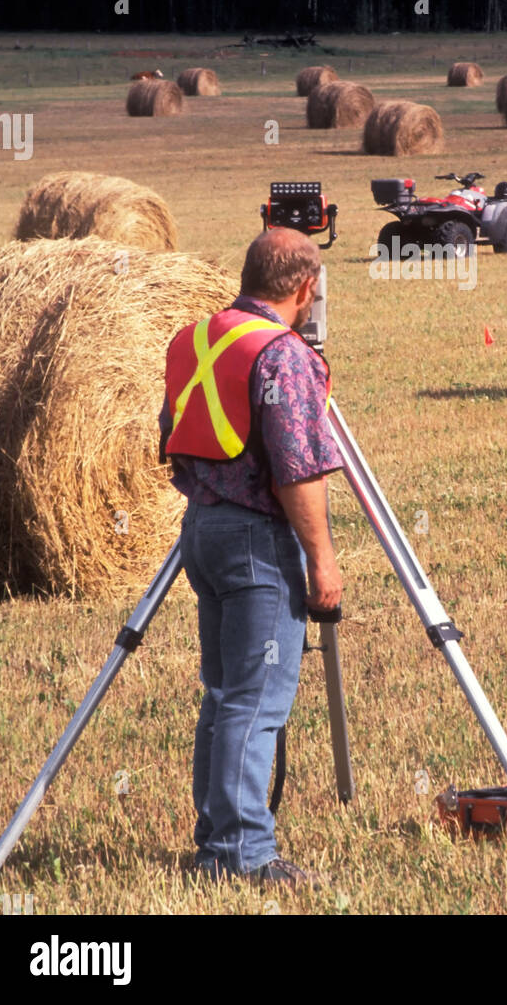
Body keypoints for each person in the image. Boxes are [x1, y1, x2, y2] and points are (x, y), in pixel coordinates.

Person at [159, 227, 343, 888]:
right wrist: (322, 562)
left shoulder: (193, 339)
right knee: (255, 700)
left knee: (224, 695)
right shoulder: (282, 354)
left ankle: (216, 842)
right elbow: (297, 468)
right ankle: (244, 852)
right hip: (258, 544)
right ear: (304, 288)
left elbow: (170, 435)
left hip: (201, 531)